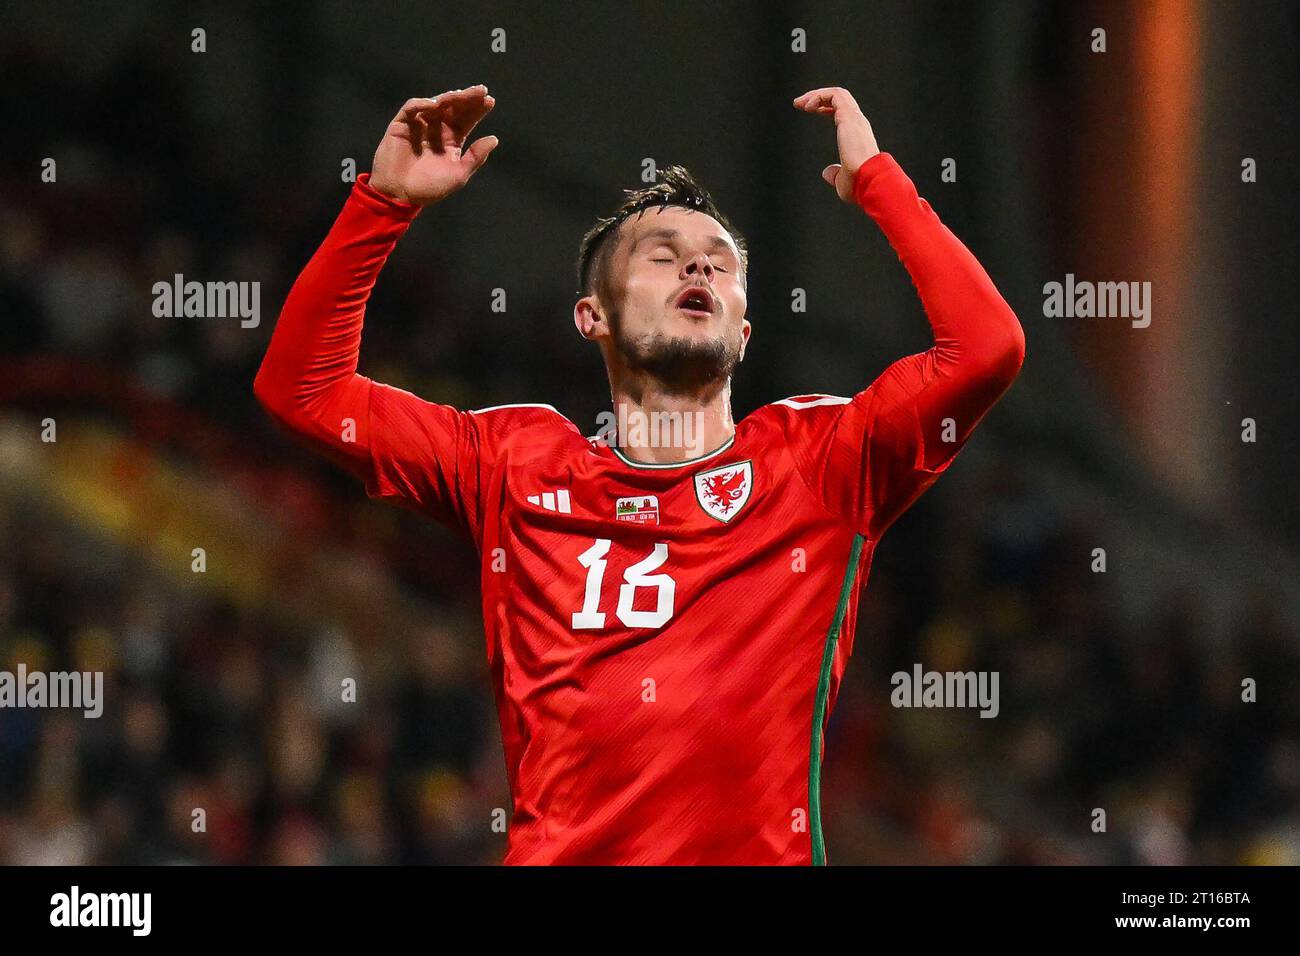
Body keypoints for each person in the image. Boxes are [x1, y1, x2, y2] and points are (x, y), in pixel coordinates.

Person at [254, 83, 1025, 864]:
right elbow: (304, 391)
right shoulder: (514, 466)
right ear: (592, 315)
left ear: (744, 330)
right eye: (664, 256)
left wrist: (881, 185)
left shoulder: (819, 463)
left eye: (720, 267)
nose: (698, 264)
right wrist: (382, 204)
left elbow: (986, 345)